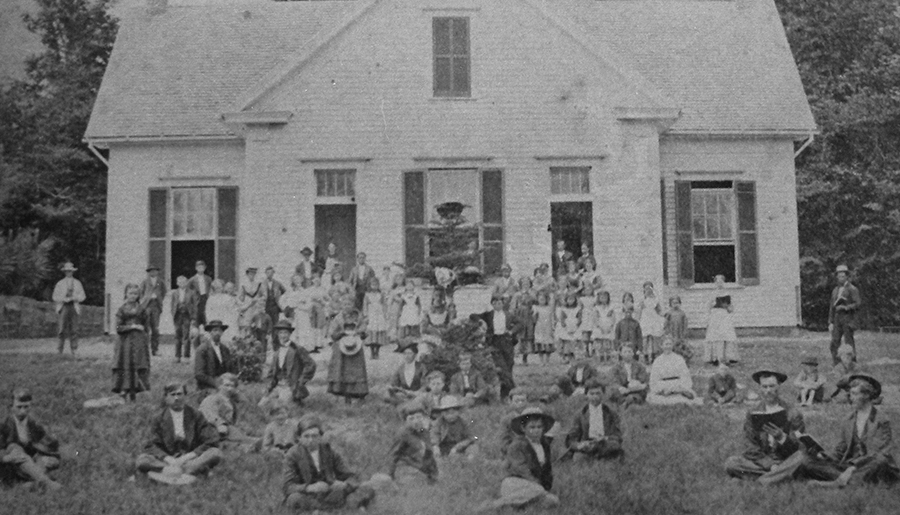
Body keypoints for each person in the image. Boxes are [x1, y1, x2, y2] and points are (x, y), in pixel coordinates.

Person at [800, 374, 899, 487]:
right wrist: (825, 456)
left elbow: (878, 451)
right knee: (807, 462)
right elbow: (841, 448)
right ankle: (847, 480)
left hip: (869, 464)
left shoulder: (881, 420)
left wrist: (854, 466)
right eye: (850, 394)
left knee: (880, 460)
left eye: (855, 394)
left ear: (866, 395)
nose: (850, 398)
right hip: (849, 465)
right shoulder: (849, 419)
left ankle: (838, 482)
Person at [723, 370, 806, 485]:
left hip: (785, 461)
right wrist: (770, 464)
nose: (768, 391)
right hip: (762, 461)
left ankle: (756, 482)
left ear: (779, 386)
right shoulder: (753, 412)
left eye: (772, 386)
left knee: (801, 458)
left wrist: (782, 438)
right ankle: (778, 478)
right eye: (764, 387)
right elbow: (749, 445)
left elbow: (799, 446)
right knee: (731, 463)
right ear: (760, 388)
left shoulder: (793, 412)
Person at [135, 383, 223, 485]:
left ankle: (174, 474)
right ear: (166, 398)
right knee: (142, 460)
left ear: (185, 396)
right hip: (167, 460)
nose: (176, 398)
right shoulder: (158, 418)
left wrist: (186, 457)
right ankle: (186, 474)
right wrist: (169, 460)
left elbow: (211, 440)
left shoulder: (196, 415)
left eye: (179, 394)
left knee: (215, 453)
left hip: (190, 460)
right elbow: (150, 444)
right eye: (172, 395)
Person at [282, 416, 376, 511]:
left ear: (320, 436)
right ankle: (339, 507)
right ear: (299, 437)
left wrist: (344, 484)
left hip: (329, 492)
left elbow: (350, 476)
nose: (310, 440)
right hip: (307, 495)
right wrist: (309, 487)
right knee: (294, 499)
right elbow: (288, 487)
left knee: (367, 488)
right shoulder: (292, 454)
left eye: (314, 436)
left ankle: (321, 510)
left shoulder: (328, 451)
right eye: (306, 436)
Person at [478, 407, 558, 512]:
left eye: (539, 427)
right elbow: (521, 469)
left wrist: (547, 486)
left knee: (552, 501)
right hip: (515, 482)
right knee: (540, 493)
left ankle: (520, 504)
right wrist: (540, 487)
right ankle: (495, 505)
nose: (536, 431)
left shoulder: (544, 444)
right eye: (532, 427)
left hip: (534, 485)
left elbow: (547, 468)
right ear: (523, 429)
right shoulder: (517, 445)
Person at [0, 389, 62, 491]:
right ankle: (46, 482)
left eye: (26, 407)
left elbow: (48, 445)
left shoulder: (34, 424)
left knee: (48, 460)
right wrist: (7, 458)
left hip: (30, 464)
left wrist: (49, 458)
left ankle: (33, 484)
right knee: (14, 447)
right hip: (10, 466)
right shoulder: (3, 424)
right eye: (19, 407)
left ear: (30, 406)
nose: (23, 411)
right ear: (11, 407)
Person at [470, 295, 522, 399]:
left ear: (503, 304)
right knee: (502, 367)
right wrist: (481, 321)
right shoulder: (489, 315)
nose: (497, 305)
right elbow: (472, 316)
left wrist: (511, 332)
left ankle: (505, 394)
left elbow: (521, 323)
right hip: (494, 342)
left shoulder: (508, 314)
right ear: (492, 304)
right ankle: (514, 390)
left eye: (499, 303)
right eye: (495, 303)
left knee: (509, 365)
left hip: (506, 341)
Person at [563, 378, 624, 462]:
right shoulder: (580, 414)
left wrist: (606, 438)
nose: (595, 397)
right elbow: (571, 439)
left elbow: (617, 436)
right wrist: (579, 445)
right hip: (588, 445)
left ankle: (603, 457)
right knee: (578, 458)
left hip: (605, 444)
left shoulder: (611, 413)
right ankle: (596, 458)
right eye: (592, 394)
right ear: (586, 395)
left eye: (598, 393)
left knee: (614, 448)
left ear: (603, 394)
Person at [263, 320, 317, 408]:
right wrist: (268, 387)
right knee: (262, 405)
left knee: (281, 406)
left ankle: (296, 401)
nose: (283, 335)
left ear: (290, 334)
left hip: (291, 386)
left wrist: (301, 381)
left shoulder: (297, 349)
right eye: (280, 333)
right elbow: (271, 372)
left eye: (285, 333)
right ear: (277, 334)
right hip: (278, 385)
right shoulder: (277, 351)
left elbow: (311, 365)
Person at [113, 284, 152, 402]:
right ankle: (124, 390)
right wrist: (132, 326)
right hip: (125, 342)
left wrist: (145, 337)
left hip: (139, 341)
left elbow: (146, 326)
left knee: (137, 364)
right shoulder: (122, 309)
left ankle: (135, 390)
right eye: (130, 293)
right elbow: (118, 328)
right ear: (126, 294)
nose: (133, 296)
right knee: (126, 364)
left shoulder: (142, 309)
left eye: (135, 294)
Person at [199, 373, 259, 450]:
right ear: (220, 386)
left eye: (232, 386)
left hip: (226, 432)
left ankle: (250, 445)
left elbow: (245, 402)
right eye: (226, 385)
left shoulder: (231, 402)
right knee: (237, 435)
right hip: (213, 429)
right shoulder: (213, 398)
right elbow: (208, 412)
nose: (229, 389)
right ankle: (254, 443)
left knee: (237, 437)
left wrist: (237, 393)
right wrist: (219, 424)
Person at [327, 299, 369, 404]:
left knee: (356, 371)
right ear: (341, 306)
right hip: (341, 347)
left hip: (355, 346)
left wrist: (359, 333)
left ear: (353, 305)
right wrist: (341, 333)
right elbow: (332, 333)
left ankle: (359, 394)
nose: (347, 306)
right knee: (342, 370)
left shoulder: (358, 317)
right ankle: (343, 394)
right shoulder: (338, 318)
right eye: (344, 304)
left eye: (349, 303)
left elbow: (364, 330)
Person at [389, 401, 439, 485]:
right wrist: (391, 476)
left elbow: (428, 449)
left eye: (419, 417)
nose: (416, 421)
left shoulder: (423, 430)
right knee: (419, 483)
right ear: (405, 421)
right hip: (406, 467)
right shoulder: (403, 434)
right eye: (411, 418)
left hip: (421, 465)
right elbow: (393, 455)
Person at [647, 336, 701, 405]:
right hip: (663, 386)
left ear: (672, 345)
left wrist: (678, 388)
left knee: (686, 396)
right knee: (654, 398)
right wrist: (662, 389)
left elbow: (685, 376)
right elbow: (654, 379)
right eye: (666, 344)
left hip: (677, 385)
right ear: (661, 346)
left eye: (670, 344)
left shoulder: (679, 359)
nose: (668, 347)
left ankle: (678, 396)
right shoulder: (657, 361)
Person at [829, 264, 861, 366]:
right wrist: (830, 322)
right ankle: (837, 364)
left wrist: (845, 307)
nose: (841, 278)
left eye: (843, 276)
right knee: (834, 342)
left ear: (847, 276)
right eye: (839, 276)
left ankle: (852, 364)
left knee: (849, 343)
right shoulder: (835, 290)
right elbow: (831, 307)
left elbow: (858, 303)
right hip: (837, 318)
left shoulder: (852, 289)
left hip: (848, 318)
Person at [51, 261, 86, 355]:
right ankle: (59, 349)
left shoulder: (77, 283)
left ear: (73, 272)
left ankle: (74, 349)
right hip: (64, 306)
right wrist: (63, 299)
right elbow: (54, 296)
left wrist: (75, 298)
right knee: (61, 329)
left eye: (70, 271)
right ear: (64, 272)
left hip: (74, 306)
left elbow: (83, 296)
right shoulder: (60, 283)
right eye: (67, 271)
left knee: (74, 329)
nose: (68, 273)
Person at [194, 320, 235, 400]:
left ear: (222, 333)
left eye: (220, 330)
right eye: (215, 330)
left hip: (225, 385)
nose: (217, 333)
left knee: (242, 399)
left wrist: (231, 382)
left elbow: (231, 369)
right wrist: (217, 384)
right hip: (207, 387)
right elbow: (199, 374)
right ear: (210, 332)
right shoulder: (202, 349)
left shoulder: (225, 349)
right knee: (221, 400)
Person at [704, 275, 739, 365]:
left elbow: (731, 309)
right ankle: (716, 358)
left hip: (724, 316)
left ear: (724, 282)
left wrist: (727, 306)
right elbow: (708, 307)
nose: (719, 284)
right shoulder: (712, 294)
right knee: (716, 336)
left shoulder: (727, 293)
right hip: (715, 316)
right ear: (715, 283)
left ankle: (728, 358)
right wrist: (713, 305)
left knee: (727, 336)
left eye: (721, 282)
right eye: (717, 282)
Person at [280, 275, 315, 351]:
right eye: (295, 280)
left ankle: (303, 347)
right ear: (293, 282)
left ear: (301, 281)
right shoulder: (290, 291)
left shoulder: (304, 291)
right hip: (294, 313)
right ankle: (294, 347)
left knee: (304, 330)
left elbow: (309, 303)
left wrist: (303, 306)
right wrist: (286, 308)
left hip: (303, 313)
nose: (297, 282)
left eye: (299, 280)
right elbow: (282, 300)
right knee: (295, 330)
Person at [138, 265, 167, 356]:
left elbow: (164, 292)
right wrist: (147, 298)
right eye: (151, 271)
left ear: (157, 272)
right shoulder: (145, 282)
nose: (153, 272)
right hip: (147, 306)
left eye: (155, 271)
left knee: (155, 329)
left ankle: (155, 350)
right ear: (149, 272)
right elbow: (141, 293)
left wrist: (159, 298)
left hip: (156, 307)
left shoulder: (161, 282)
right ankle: (144, 349)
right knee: (146, 328)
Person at [610, 344, 649, 408]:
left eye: (629, 351)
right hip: (622, 390)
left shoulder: (639, 366)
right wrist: (620, 388)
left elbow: (644, 380)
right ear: (621, 354)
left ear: (633, 353)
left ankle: (628, 401)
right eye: (625, 352)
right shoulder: (616, 367)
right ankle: (627, 402)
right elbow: (613, 381)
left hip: (636, 390)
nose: (627, 354)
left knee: (636, 395)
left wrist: (636, 386)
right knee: (614, 393)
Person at [170, 275, 197, 363]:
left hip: (187, 315)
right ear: (177, 283)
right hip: (178, 315)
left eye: (184, 282)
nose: (182, 284)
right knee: (177, 335)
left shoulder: (191, 292)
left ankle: (186, 356)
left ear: (187, 283)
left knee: (186, 335)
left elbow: (194, 306)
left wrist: (193, 317)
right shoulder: (174, 293)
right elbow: (172, 304)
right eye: (180, 282)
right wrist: (173, 313)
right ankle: (177, 356)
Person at [204, 279, 240, 344]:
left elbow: (234, 311)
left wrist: (231, 321)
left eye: (220, 287)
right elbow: (208, 312)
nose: (219, 289)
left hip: (227, 322)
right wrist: (212, 321)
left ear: (223, 287)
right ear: (214, 288)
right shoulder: (211, 299)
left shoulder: (228, 298)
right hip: (215, 321)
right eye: (217, 287)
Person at [637, 281, 665, 362]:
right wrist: (638, 320)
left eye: (650, 288)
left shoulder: (655, 300)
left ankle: (653, 355)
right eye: (646, 289)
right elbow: (639, 311)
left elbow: (659, 310)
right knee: (645, 339)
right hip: (645, 320)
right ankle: (645, 356)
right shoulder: (642, 300)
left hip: (654, 320)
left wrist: (663, 315)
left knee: (654, 338)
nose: (648, 291)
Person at [362, 277, 387, 359]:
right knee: (371, 334)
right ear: (370, 285)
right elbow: (365, 305)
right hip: (371, 314)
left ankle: (377, 351)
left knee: (379, 333)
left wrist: (384, 314)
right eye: (372, 285)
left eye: (376, 285)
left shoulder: (381, 294)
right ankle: (372, 352)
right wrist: (366, 315)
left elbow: (384, 304)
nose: (374, 286)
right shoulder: (367, 295)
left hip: (379, 314)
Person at [513, 277, 536, 365]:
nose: (525, 285)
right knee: (519, 336)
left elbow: (536, 305)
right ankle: (516, 357)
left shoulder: (532, 294)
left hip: (528, 317)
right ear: (521, 285)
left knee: (527, 337)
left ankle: (525, 358)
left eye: (527, 284)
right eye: (524, 284)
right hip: (519, 316)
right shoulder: (517, 294)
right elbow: (513, 306)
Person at [554, 293, 581, 364]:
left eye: (572, 299)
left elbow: (579, 318)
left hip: (574, 326)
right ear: (566, 300)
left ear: (575, 300)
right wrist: (565, 326)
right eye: (569, 299)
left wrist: (576, 326)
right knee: (565, 342)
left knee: (573, 342)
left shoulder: (577, 309)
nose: (570, 301)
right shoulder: (564, 309)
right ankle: (564, 357)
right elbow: (562, 319)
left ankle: (573, 357)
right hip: (566, 327)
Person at [187, 260, 213, 332]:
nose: (201, 268)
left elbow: (211, 289)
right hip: (197, 302)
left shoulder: (208, 279)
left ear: (205, 268)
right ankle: (196, 341)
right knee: (196, 322)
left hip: (206, 300)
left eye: (202, 267)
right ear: (196, 268)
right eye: (199, 267)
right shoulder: (192, 280)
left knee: (206, 319)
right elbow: (188, 292)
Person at [263, 266, 286, 345]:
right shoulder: (262, 283)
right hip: (266, 306)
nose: (270, 274)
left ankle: (275, 343)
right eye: (268, 272)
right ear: (265, 273)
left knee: (275, 324)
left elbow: (284, 291)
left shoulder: (277, 283)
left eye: (271, 272)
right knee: (265, 324)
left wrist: (279, 298)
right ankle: (265, 343)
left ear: (273, 273)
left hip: (275, 306)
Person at [591, 290, 616, 363]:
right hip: (600, 327)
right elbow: (595, 318)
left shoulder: (611, 307)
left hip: (608, 326)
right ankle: (599, 358)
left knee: (607, 343)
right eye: (601, 297)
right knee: (599, 343)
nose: (603, 299)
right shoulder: (596, 308)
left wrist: (611, 326)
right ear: (598, 298)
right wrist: (599, 326)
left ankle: (607, 358)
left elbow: (613, 318)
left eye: (605, 297)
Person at [532, 291, 555, 366]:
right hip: (539, 327)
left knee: (548, 344)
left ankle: (547, 360)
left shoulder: (549, 308)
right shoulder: (535, 307)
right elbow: (534, 318)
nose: (542, 300)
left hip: (548, 327)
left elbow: (552, 317)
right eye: (540, 299)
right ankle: (541, 361)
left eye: (543, 299)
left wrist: (553, 327)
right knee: (540, 344)